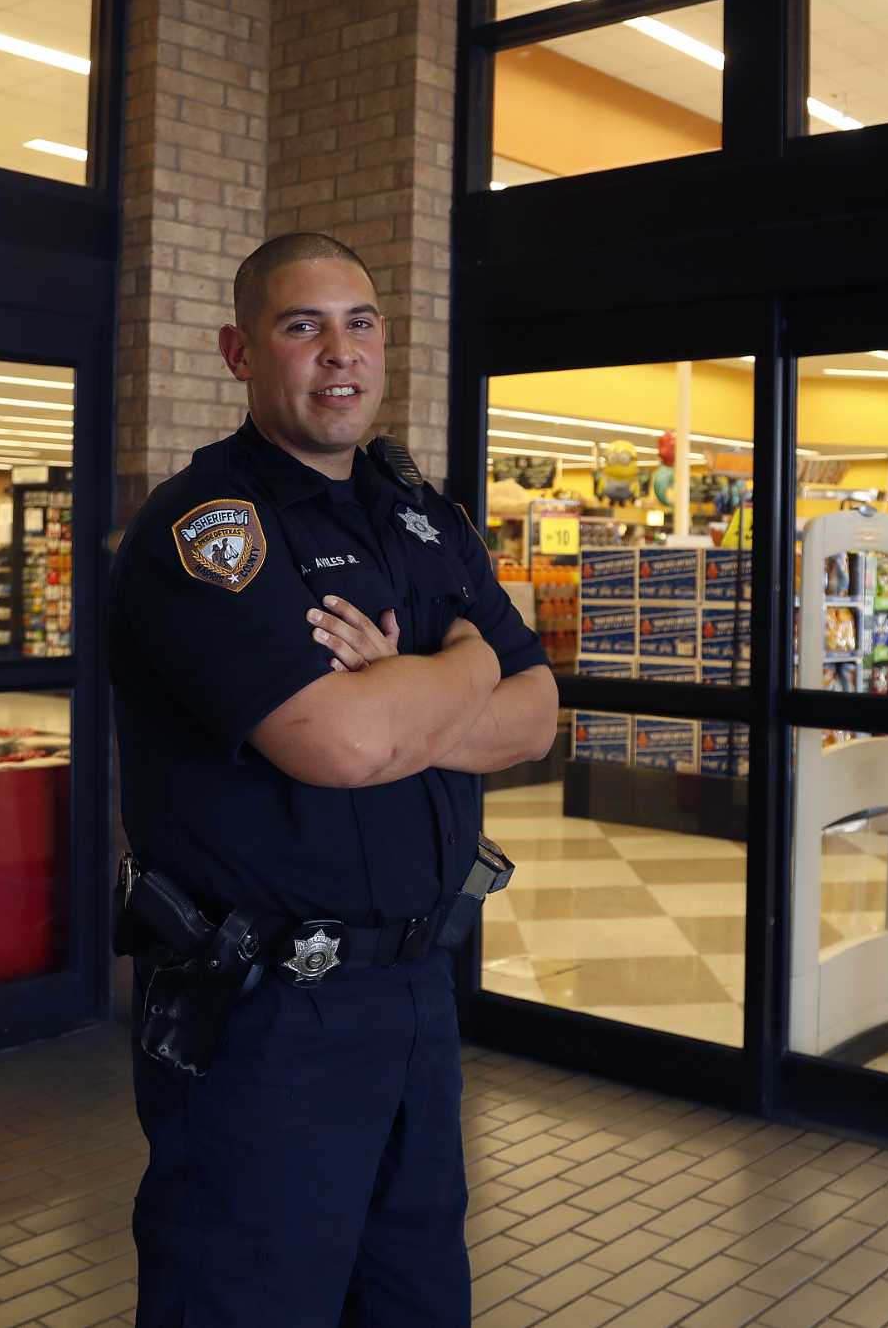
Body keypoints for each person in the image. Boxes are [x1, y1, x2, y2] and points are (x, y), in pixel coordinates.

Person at [107, 232, 559, 1327]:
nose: (338, 352)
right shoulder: (209, 530)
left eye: (359, 322)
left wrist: (398, 686)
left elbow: (537, 716)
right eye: (301, 325)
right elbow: (343, 746)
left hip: (412, 997)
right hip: (265, 1014)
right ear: (239, 349)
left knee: (411, 1297)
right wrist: (459, 663)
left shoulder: (424, 518)